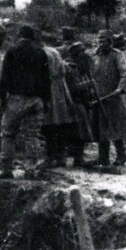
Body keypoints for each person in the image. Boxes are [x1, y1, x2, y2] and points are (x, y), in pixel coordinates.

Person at [0, 25, 51, 177]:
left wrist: (2, 98)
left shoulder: (11, 52)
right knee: (31, 136)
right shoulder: (41, 53)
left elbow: (4, 78)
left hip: (16, 98)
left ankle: (6, 169)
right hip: (36, 100)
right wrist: (46, 100)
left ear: (19, 36)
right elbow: (46, 80)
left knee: (8, 134)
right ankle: (30, 170)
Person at [91, 30, 126, 169]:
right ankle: (103, 158)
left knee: (115, 127)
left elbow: (125, 74)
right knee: (101, 128)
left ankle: (121, 155)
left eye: (104, 41)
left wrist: (120, 88)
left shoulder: (117, 55)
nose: (101, 43)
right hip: (99, 97)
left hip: (113, 98)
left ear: (110, 42)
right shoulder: (95, 56)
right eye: (99, 41)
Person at [41, 34, 79, 168]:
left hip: (50, 89)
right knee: (59, 124)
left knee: (50, 124)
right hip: (60, 90)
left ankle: (52, 156)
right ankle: (60, 156)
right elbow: (64, 69)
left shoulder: (45, 53)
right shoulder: (55, 52)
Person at [63, 41, 96, 167]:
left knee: (80, 131)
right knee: (79, 131)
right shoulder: (71, 68)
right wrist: (88, 84)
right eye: (82, 53)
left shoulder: (81, 66)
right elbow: (72, 87)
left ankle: (78, 157)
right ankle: (77, 158)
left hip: (81, 101)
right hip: (74, 102)